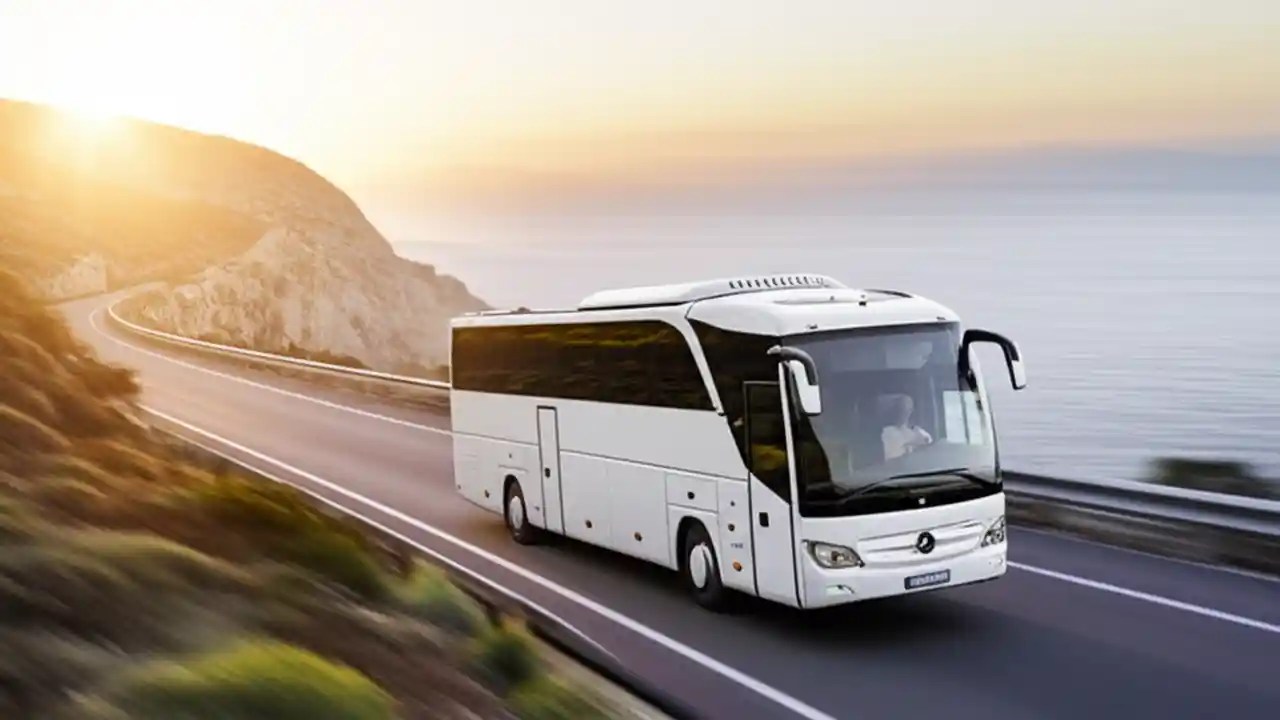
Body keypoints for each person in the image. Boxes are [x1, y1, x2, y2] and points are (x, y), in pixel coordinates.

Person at [881, 394, 932, 460]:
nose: (905, 412)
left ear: (912, 410)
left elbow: (929, 444)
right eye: (901, 408)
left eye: (909, 408)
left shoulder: (917, 431)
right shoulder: (886, 432)